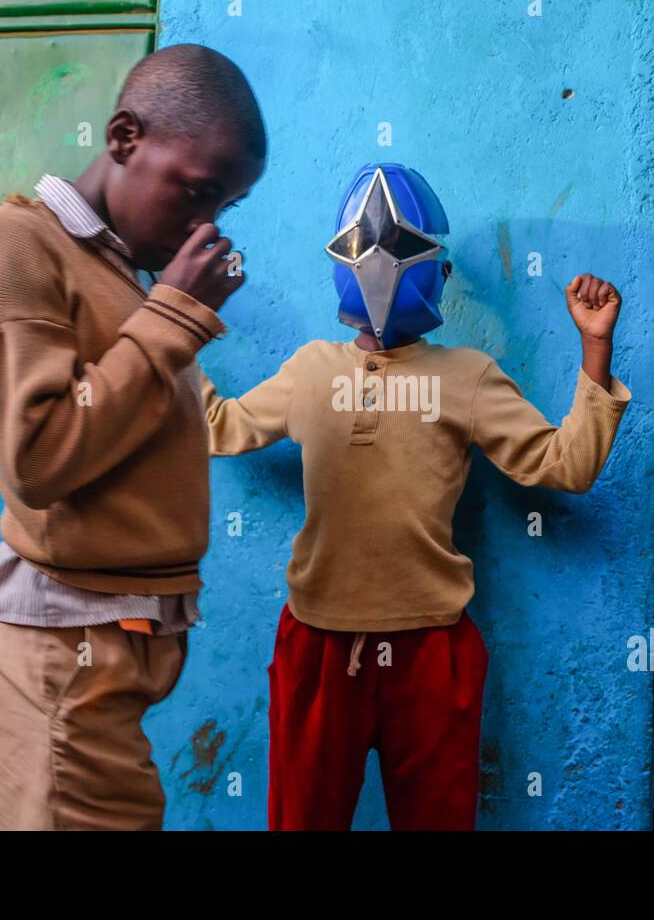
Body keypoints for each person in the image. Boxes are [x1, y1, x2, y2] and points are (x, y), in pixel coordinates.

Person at [203, 163, 630, 829]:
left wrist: (595, 349)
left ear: (440, 276)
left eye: (401, 249)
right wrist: (174, 327)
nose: (381, 261)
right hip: (319, 644)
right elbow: (221, 428)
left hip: (431, 652)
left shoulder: (466, 377)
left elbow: (564, 466)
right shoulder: (312, 370)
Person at [0, 44, 265, 831]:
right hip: (66, 645)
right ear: (125, 137)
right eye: (196, 194)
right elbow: (36, 459)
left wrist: (164, 308)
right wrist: (174, 315)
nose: (204, 226)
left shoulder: (119, 270)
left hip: (97, 637)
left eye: (225, 209)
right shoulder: (20, 245)